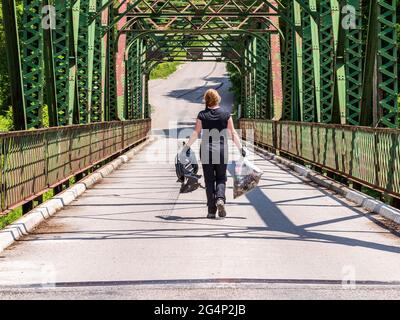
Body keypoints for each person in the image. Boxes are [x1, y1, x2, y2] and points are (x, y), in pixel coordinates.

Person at [183, 89, 246, 219]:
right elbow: (233, 133)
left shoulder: (202, 115)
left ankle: (211, 211)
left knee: (209, 180)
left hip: (206, 150)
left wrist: (186, 147)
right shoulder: (226, 114)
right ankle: (220, 199)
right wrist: (241, 148)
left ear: (206, 100)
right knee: (221, 178)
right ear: (218, 99)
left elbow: (196, 133)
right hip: (222, 151)